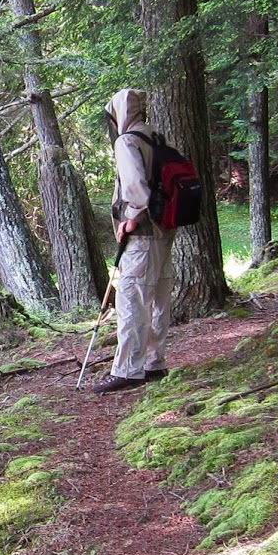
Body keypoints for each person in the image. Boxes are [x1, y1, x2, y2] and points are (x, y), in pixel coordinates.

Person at [90, 88, 176, 394]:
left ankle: (128, 369)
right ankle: (153, 362)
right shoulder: (156, 137)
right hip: (164, 229)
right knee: (158, 297)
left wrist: (129, 221)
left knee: (132, 299)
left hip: (142, 234)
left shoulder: (127, 142)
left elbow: (136, 188)